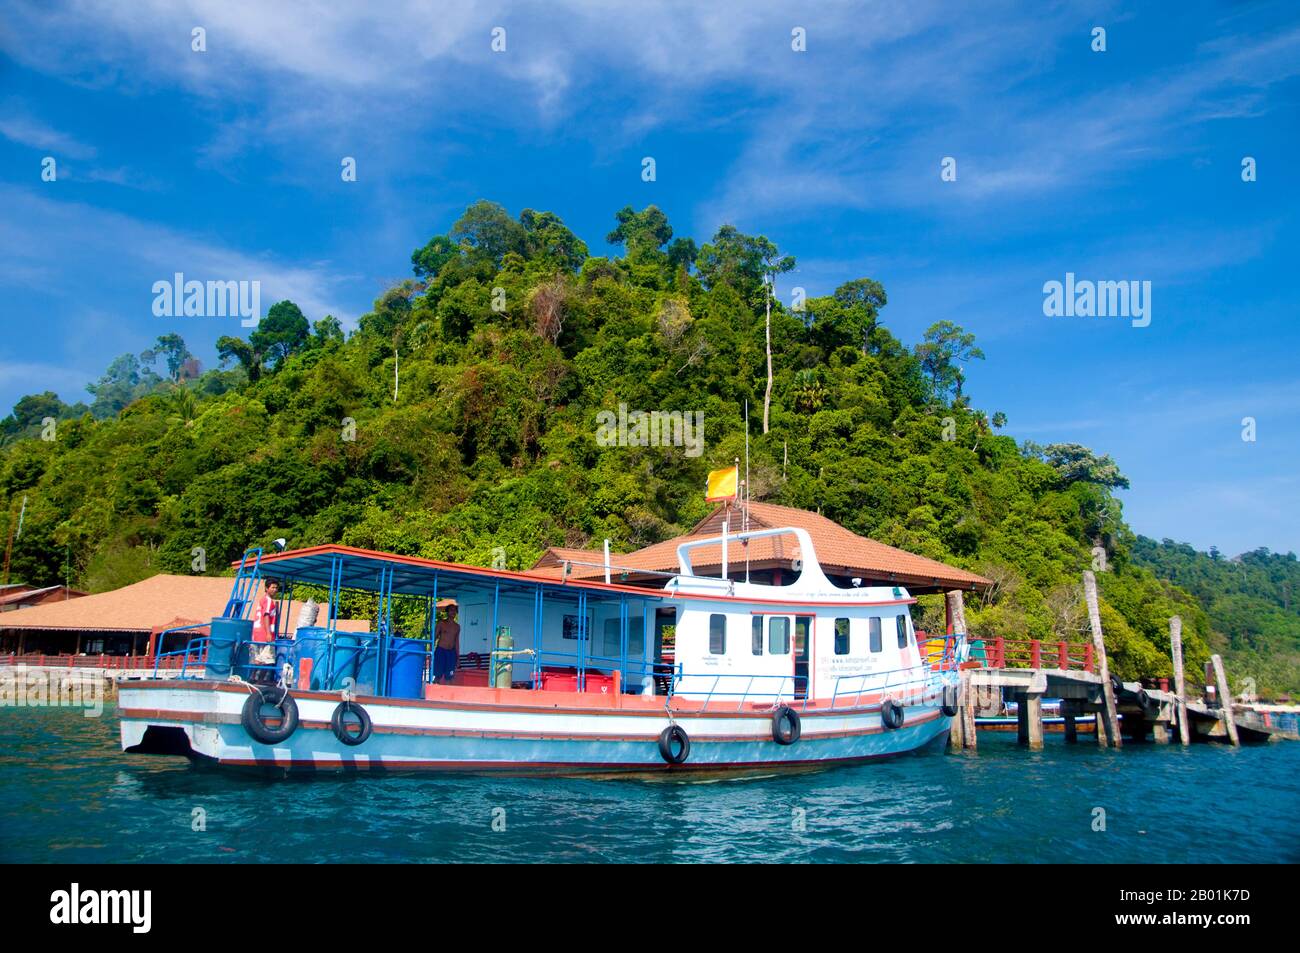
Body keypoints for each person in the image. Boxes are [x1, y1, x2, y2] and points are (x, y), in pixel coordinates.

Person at [249, 580, 281, 681]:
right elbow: (266, 615)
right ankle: (260, 681)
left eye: (276, 588)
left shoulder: (262, 600)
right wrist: (268, 633)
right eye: (273, 587)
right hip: (265, 634)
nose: (275, 590)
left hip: (256, 634)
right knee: (268, 660)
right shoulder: (268, 601)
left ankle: (252, 679)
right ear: (267, 588)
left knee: (258, 659)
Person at [433, 602, 460, 684]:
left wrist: (457, 657)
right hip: (441, 651)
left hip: (451, 653)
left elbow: (457, 642)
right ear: (447, 612)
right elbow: (434, 637)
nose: (453, 612)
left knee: (449, 676)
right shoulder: (441, 623)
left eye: (455, 610)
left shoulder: (457, 626)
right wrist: (430, 651)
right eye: (451, 610)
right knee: (438, 675)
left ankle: (447, 695)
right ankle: (434, 691)